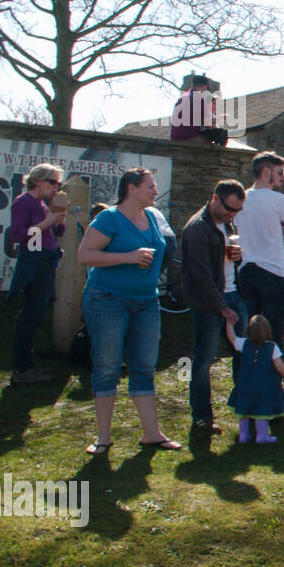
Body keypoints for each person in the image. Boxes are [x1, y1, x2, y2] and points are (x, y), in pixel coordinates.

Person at [77, 167, 179, 454]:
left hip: (146, 301)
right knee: (108, 367)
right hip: (108, 299)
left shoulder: (151, 217)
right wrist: (128, 257)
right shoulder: (109, 218)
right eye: (150, 186)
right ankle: (103, 438)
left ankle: (151, 434)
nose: (156, 191)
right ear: (131, 188)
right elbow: (84, 256)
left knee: (145, 367)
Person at [179, 179, 247, 433]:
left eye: (237, 211)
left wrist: (237, 259)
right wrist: (222, 307)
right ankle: (201, 415)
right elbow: (201, 277)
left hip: (231, 294)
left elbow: (225, 264)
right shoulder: (197, 229)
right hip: (209, 303)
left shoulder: (226, 223)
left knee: (245, 350)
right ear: (215, 198)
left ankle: (247, 403)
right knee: (202, 358)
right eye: (230, 209)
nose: (232, 215)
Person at [8, 163, 67, 385]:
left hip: (45, 260)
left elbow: (51, 233)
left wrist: (57, 222)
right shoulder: (24, 202)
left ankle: (26, 366)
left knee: (36, 314)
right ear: (37, 180)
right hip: (34, 262)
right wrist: (48, 221)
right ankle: (22, 369)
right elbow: (18, 235)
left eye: (58, 183)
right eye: (53, 182)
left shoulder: (41, 204)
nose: (56, 187)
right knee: (31, 315)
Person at [235, 151, 284, 347]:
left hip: (246, 268)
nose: (283, 177)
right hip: (272, 270)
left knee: (249, 327)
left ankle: (249, 366)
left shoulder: (241, 197)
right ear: (265, 171)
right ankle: (270, 369)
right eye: (279, 172)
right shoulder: (279, 199)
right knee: (274, 330)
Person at [224, 314, 284, 443]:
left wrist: (229, 324)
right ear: (268, 331)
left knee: (244, 409)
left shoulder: (243, 344)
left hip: (244, 385)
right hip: (264, 387)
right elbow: (279, 365)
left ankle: (243, 435)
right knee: (261, 410)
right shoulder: (272, 347)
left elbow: (231, 337)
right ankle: (262, 436)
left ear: (248, 331)